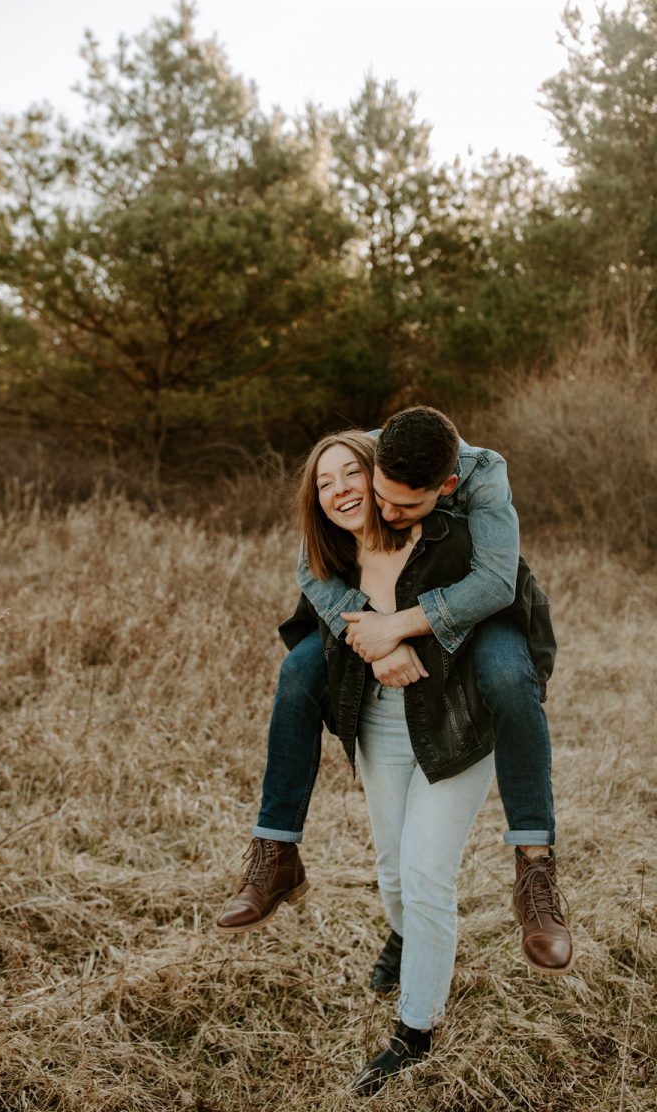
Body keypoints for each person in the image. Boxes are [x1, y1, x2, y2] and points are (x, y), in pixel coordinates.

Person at [216, 406, 572, 977]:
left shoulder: (482, 476)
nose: (384, 511)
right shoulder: (361, 456)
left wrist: (398, 627)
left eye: (403, 505)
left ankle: (535, 867)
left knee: (508, 677)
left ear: (446, 486)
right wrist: (368, 631)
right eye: (380, 494)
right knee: (299, 673)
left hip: (484, 605)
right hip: (380, 607)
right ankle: (277, 850)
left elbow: (494, 582)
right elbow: (312, 562)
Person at [278, 428, 495, 1094]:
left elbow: (500, 599)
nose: (340, 490)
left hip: (457, 721)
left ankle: (415, 1028)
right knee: (392, 871)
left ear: (379, 479)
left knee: (427, 874)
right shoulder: (332, 560)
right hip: (379, 722)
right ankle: (403, 937)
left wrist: (400, 632)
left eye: (351, 475)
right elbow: (322, 614)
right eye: (325, 482)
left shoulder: (447, 537)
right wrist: (371, 642)